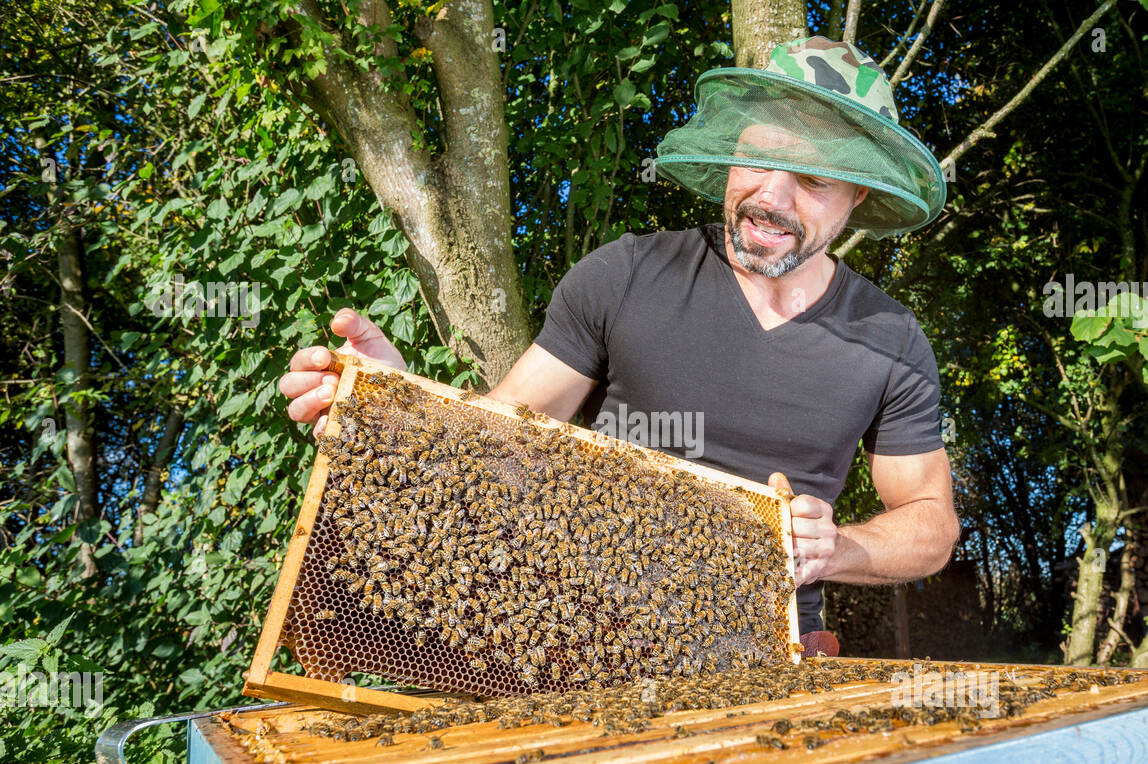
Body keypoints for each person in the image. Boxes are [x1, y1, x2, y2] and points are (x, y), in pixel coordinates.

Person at [279, 36, 960, 656]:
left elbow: (930, 524)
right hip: (580, 637)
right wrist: (399, 408)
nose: (770, 196)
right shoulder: (629, 274)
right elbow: (503, 432)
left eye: (812, 178)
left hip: (763, 664)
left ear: (858, 196)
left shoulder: (889, 341)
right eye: (757, 158)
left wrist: (839, 547)